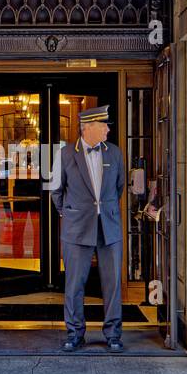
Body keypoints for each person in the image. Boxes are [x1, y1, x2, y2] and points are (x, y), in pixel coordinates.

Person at [50, 105, 125, 352]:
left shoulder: (114, 153)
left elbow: (119, 188)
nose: (108, 129)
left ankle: (113, 334)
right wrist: (69, 213)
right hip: (77, 229)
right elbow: (56, 191)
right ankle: (74, 334)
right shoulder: (65, 154)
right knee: (74, 284)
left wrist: (105, 210)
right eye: (103, 125)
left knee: (112, 284)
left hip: (109, 229)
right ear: (88, 128)